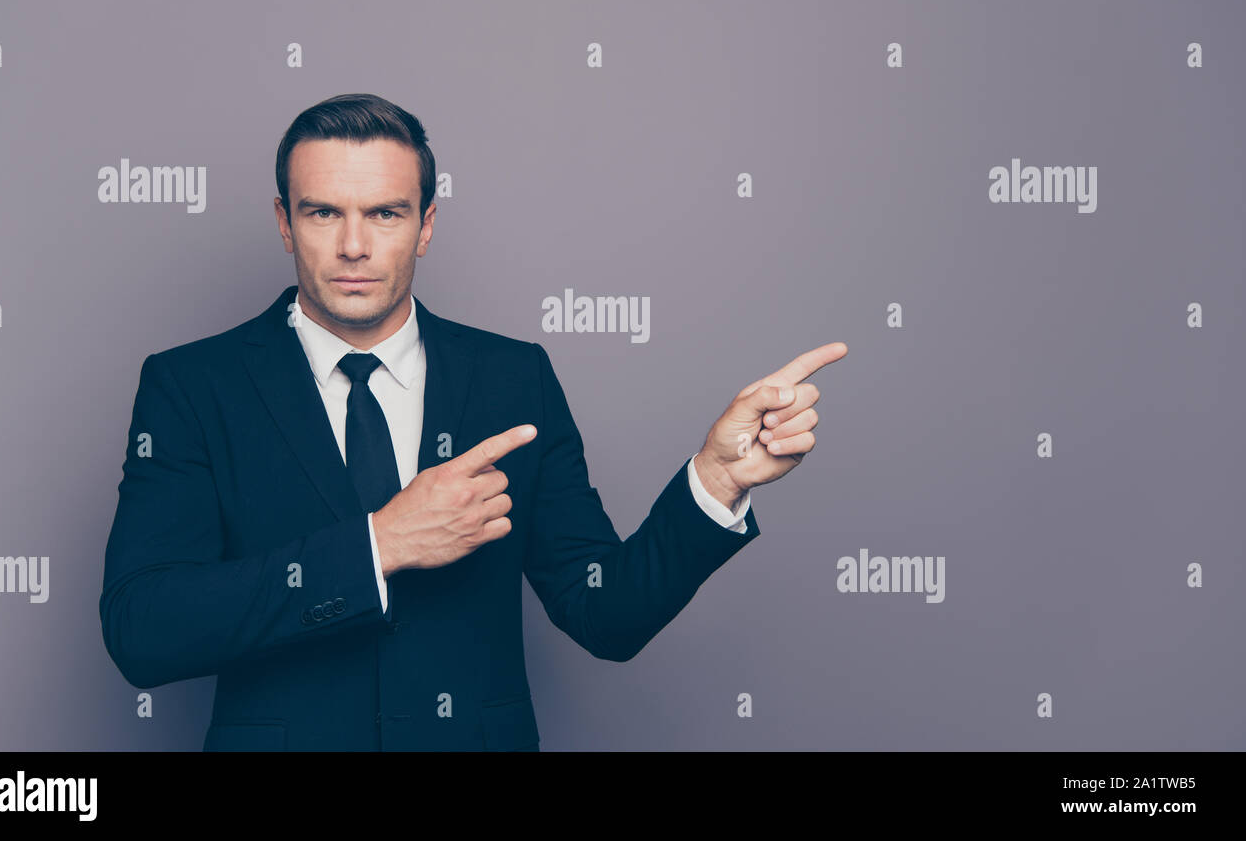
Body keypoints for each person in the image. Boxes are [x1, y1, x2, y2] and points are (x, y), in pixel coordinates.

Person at [99, 92, 847, 751]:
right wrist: (379, 544)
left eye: (384, 213)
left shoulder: (512, 379)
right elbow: (144, 627)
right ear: (284, 222)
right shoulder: (192, 386)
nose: (353, 245)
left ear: (425, 225)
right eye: (323, 211)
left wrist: (714, 481)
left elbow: (605, 610)